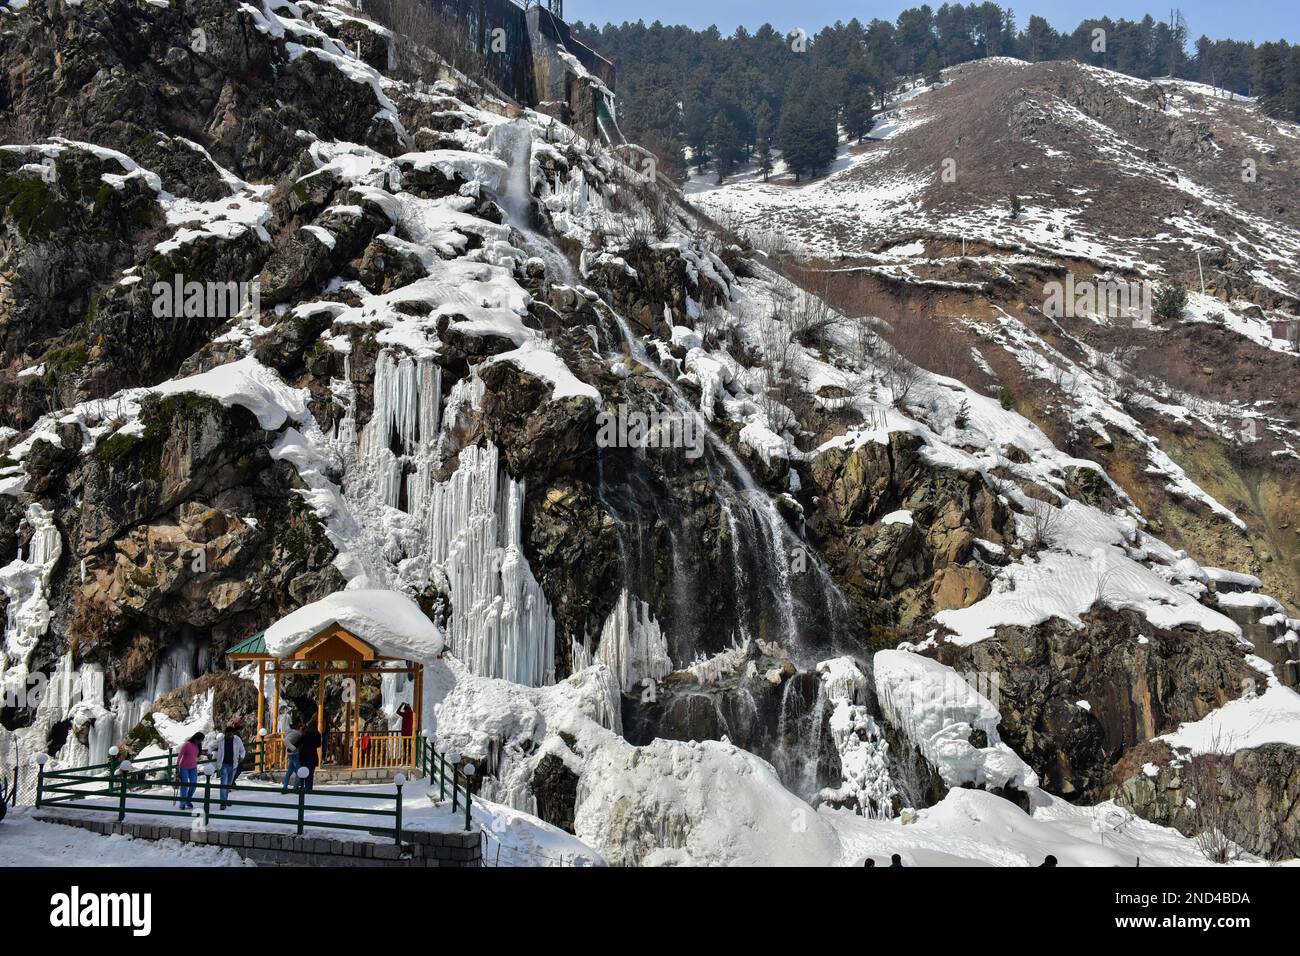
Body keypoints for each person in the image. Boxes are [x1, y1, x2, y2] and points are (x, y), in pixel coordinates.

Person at [215, 725, 245, 810]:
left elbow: (242, 750)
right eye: (228, 735)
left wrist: (242, 757)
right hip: (223, 764)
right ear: (225, 734)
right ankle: (222, 802)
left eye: (231, 734)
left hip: (233, 764)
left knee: (228, 784)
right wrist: (209, 753)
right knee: (223, 783)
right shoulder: (220, 740)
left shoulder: (237, 739)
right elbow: (211, 746)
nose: (230, 736)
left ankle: (225, 799)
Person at [177, 732, 202, 810]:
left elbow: (196, 754)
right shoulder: (187, 744)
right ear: (195, 738)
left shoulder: (198, 745)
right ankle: (182, 803)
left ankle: (188, 799)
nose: (200, 742)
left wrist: (206, 754)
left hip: (193, 768)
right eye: (199, 740)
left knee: (193, 785)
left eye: (201, 740)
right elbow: (180, 755)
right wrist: (177, 766)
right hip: (184, 767)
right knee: (184, 785)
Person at [298, 721, 322, 792]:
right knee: (310, 773)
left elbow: (300, 742)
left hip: (304, 754)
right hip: (313, 755)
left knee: (303, 771)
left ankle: (302, 787)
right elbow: (318, 745)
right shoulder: (317, 733)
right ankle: (309, 788)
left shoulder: (305, 733)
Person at [281, 722, 303, 793]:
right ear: (299, 727)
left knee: (290, 771)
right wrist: (294, 749)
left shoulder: (290, 732)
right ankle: (295, 787)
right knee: (299, 772)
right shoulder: (296, 733)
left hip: (291, 754)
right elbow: (286, 741)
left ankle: (285, 787)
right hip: (295, 754)